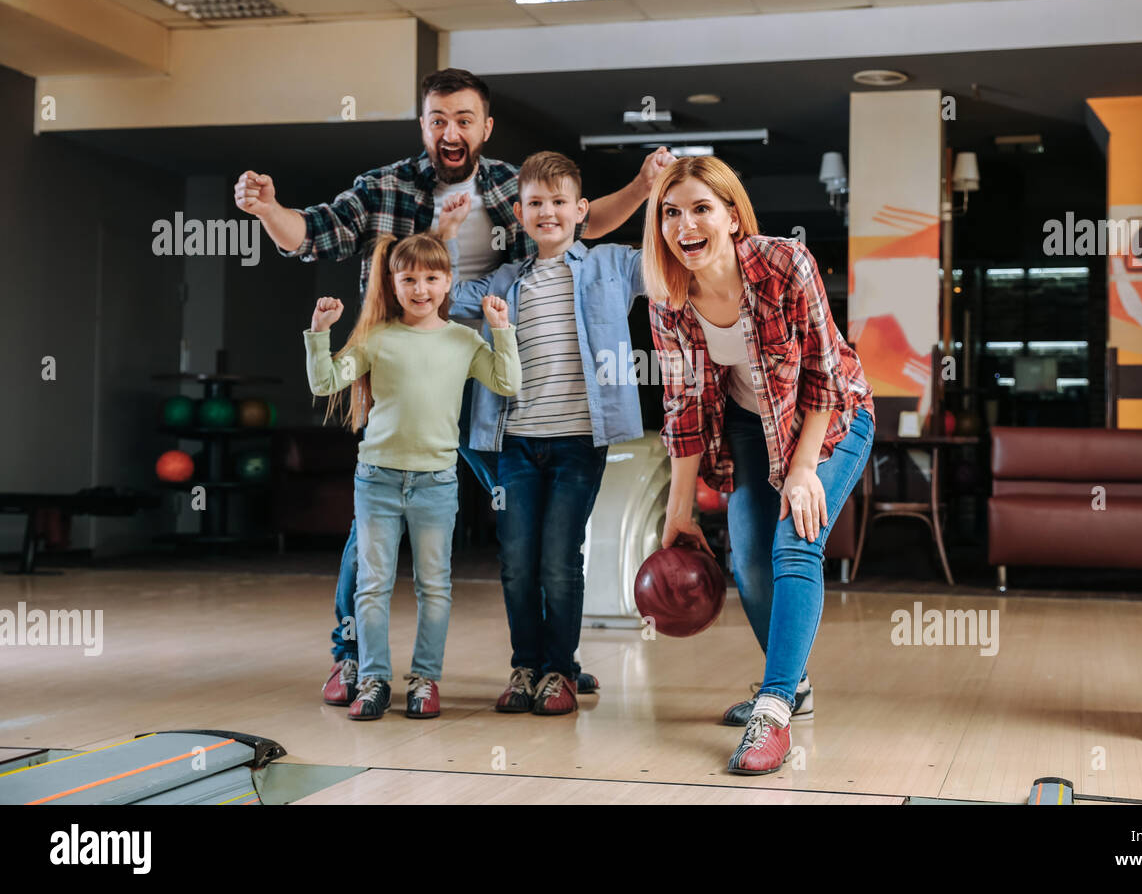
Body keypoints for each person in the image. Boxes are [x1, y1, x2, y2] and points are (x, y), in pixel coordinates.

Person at [233, 68, 673, 705]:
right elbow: (313, 236)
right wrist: (270, 209)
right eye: (438, 119)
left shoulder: (510, 186)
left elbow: (587, 222)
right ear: (423, 124)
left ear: (485, 127)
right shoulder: (383, 187)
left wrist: (643, 183)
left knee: (537, 526)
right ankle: (352, 656)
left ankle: (555, 660)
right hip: (411, 372)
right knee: (377, 527)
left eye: (464, 119)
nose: (450, 131)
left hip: (493, 374)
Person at [643, 156, 875, 776]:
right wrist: (679, 511)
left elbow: (825, 376)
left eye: (700, 209)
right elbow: (684, 406)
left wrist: (802, 471)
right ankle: (793, 685)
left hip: (832, 417)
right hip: (749, 425)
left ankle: (773, 713)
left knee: (796, 541)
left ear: (732, 215)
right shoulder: (669, 298)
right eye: (671, 212)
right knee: (746, 557)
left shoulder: (784, 265)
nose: (685, 224)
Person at [444, 152, 646, 715]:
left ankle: (559, 669)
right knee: (516, 560)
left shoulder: (611, 265)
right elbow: (436, 296)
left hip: (579, 444)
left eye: (560, 202)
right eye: (536, 203)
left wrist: (655, 188)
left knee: (559, 558)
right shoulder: (503, 282)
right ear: (520, 211)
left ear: (582, 211)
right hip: (515, 444)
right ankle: (525, 667)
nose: (548, 212)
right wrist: (445, 232)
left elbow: (670, 262)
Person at [304, 231, 520, 720]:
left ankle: (425, 680)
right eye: (409, 279)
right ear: (393, 284)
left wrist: (500, 329)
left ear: (448, 283)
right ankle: (374, 679)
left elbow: (508, 382)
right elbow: (324, 382)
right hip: (377, 480)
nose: (420, 288)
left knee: (434, 586)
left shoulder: (464, 340)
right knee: (373, 584)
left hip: (436, 484)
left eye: (431, 278)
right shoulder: (376, 338)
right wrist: (319, 332)